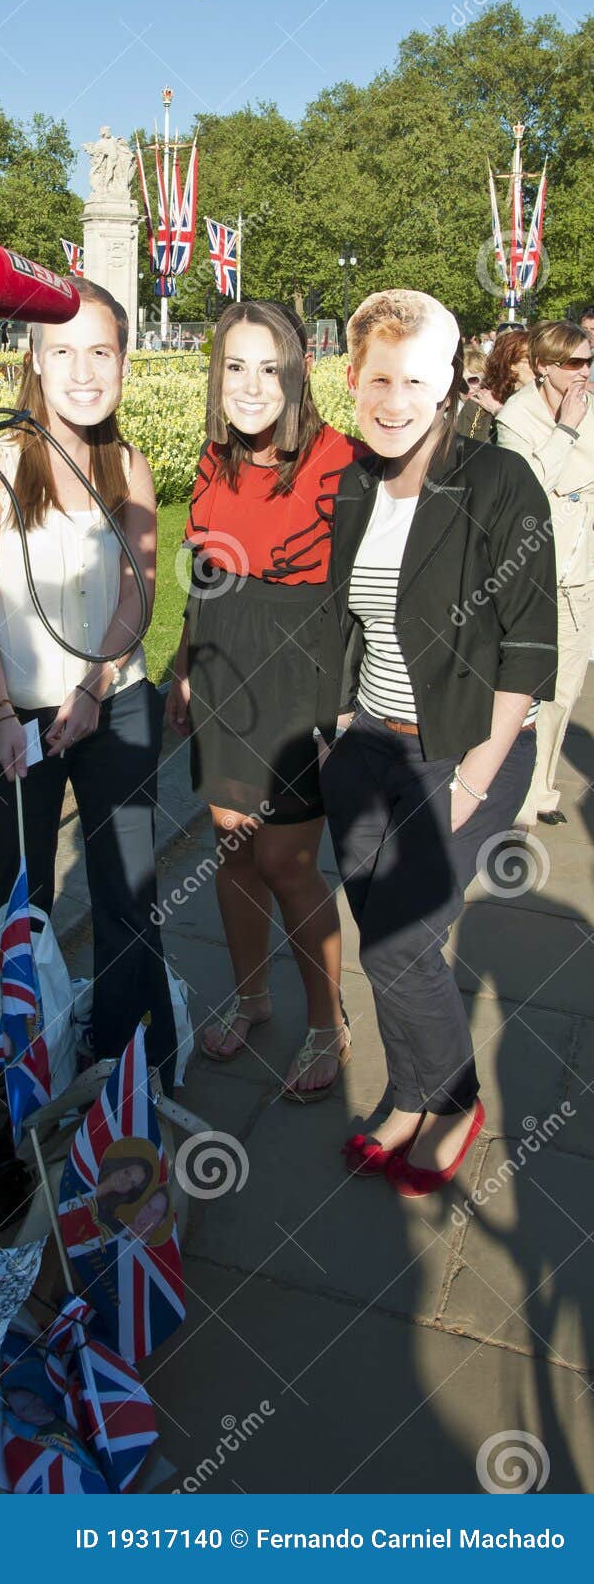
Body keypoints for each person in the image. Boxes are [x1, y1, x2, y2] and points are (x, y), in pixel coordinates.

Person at [317, 290, 557, 1196]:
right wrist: (339, 730)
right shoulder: (354, 482)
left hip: (465, 749)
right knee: (383, 929)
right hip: (369, 749)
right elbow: (343, 620)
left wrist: (474, 777)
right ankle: (412, 1093)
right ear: (353, 379)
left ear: (450, 383)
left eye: (415, 378)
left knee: (399, 940)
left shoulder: (499, 482)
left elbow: (531, 643)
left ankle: (453, 1100)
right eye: (377, 377)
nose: (393, 398)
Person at [0, 280, 176, 1087]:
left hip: (113, 703)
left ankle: (122, 1060)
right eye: (64, 352)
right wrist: (4, 711)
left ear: (121, 361)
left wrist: (95, 684)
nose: (84, 371)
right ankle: (27, 1049)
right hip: (18, 714)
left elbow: (138, 590)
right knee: (24, 889)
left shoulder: (128, 464)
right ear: (35, 364)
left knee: (127, 888)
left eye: (101, 352)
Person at [165, 300, 360, 1100]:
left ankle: (328, 1022)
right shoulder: (215, 458)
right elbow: (202, 575)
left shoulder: (340, 462)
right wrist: (181, 665)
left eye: (267, 367)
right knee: (234, 850)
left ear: (297, 369)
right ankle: (252, 998)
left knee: (286, 860)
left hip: (296, 683)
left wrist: (340, 713)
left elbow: (358, 601)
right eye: (233, 366)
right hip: (220, 671)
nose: (249, 386)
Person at [495, 319, 594, 828]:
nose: (583, 372)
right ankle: (511, 791)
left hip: (582, 572)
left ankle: (541, 789)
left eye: (588, 361)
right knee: (528, 691)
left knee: (567, 692)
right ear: (544, 366)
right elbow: (529, 490)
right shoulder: (518, 415)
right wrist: (567, 429)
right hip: (532, 574)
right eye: (573, 363)